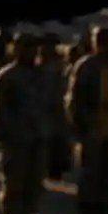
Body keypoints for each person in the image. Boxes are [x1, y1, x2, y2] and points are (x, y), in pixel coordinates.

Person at [66, 27, 108, 214]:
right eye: (106, 41)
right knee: (91, 174)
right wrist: (81, 127)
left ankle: (105, 212)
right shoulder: (86, 66)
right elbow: (74, 100)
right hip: (92, 127)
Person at [0, 33, 48, 214]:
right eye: (26, 47)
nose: (32, 51)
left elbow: (50, 105)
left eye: (34, 47)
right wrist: (8, 133)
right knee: (15, 182)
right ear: (16, 49)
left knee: (34, 182)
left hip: (38, 135)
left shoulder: (41, 74)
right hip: (17, 138)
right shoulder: (7, 75)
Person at [38, 33, 72, 181]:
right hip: (43, 108)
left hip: (58, 106)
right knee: (46, 139)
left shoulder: (60, 65)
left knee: (59, 139)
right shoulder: (38, 65)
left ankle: (57, 166)